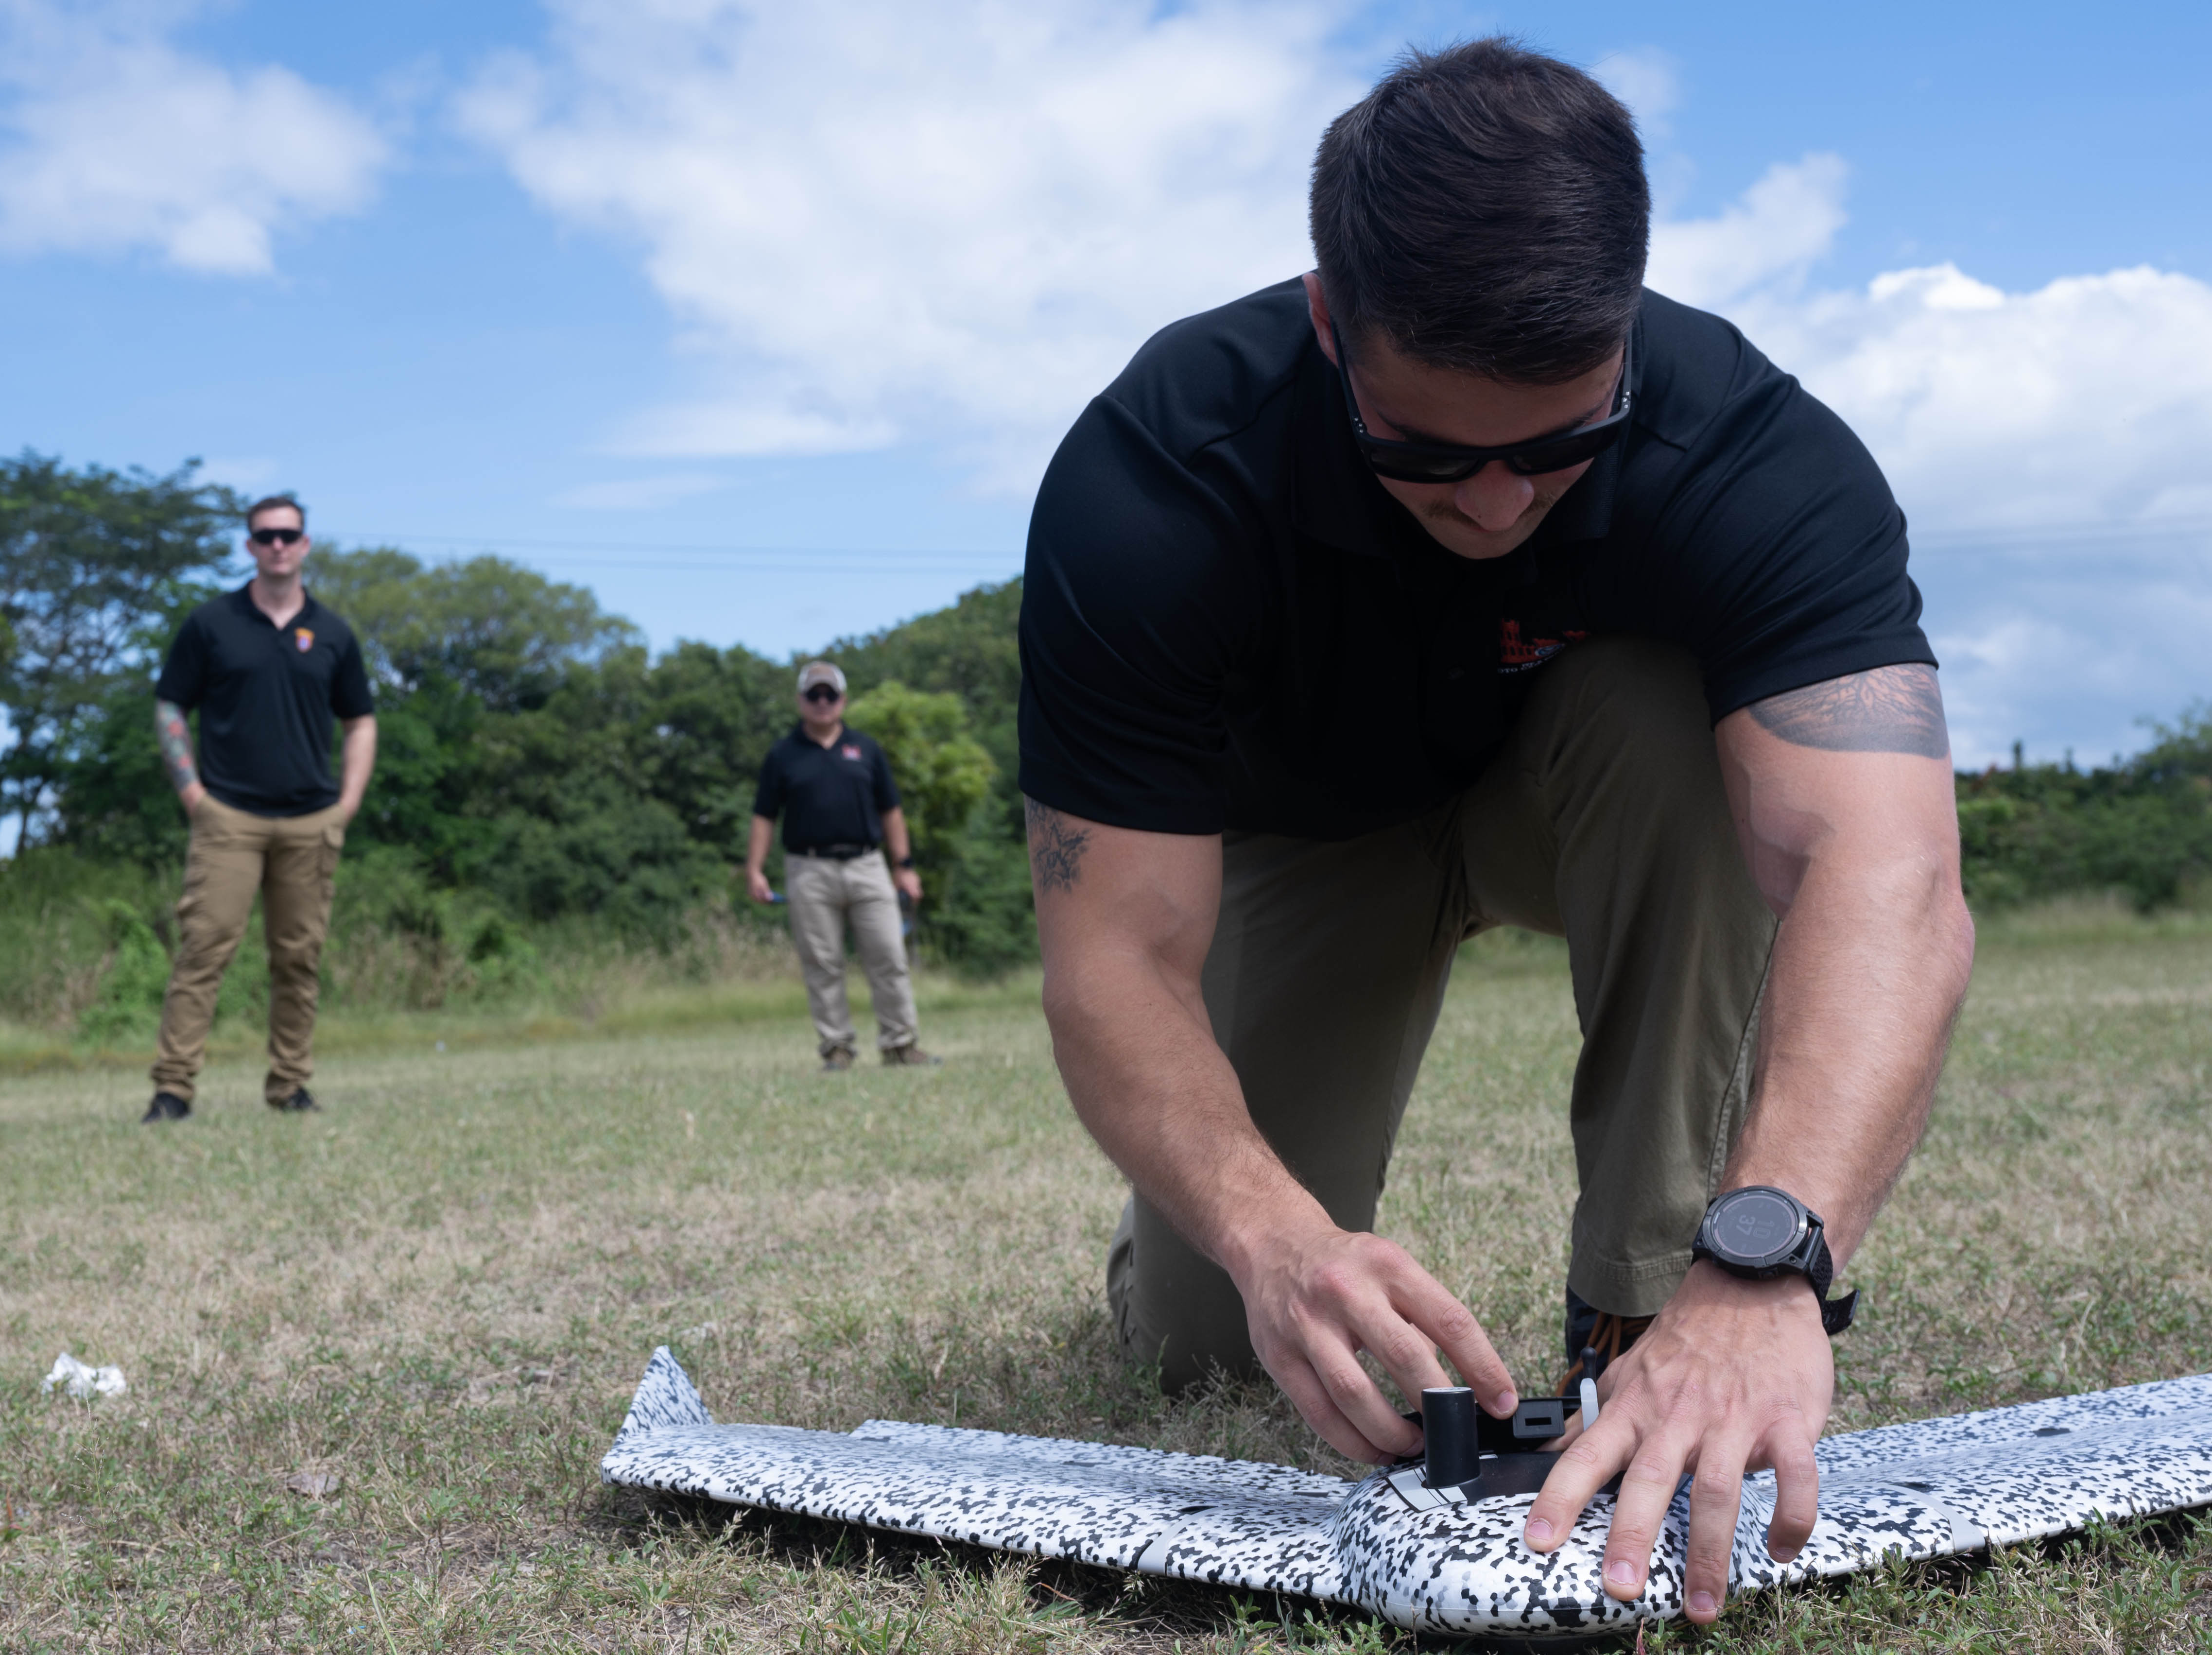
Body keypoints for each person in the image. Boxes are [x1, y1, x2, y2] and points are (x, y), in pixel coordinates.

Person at [1016, 38, 1973, 1625]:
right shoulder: (1155, 474)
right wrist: (1266, 1236)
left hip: (1584, 790)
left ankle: (1645, 1308)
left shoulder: (1749, 450)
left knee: (1677, 721)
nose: (1488, 505)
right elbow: (1109, 954)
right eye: (1422, 450)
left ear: (1621, 335)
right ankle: (1191, 1273)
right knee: (1211, 1342)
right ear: (1329, 324)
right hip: (1309, 835)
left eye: (1552, 446)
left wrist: (1767, 1260)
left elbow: (1885, 873)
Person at [141, 496, 377, 1122]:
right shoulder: (212, 623)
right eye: (266, 536)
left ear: (305, 544)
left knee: (299, 959)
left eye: (288, 535)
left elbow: (360, 719)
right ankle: (172, 1091)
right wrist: (193, 794)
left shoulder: (332, 633)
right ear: (249, 546)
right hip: (228, 817)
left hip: (311, 820)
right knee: (203, 951)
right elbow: (170, 705)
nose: (277, 546)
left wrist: (348, 802)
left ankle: (290, 1086)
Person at [746, 661, 940, 1071]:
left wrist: (904, 866)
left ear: (842, 700)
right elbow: (764, 816)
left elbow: (892, 811)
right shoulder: (782, 755)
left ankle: (900, 1045)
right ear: (800, 700)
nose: (822, 702)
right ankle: (836, 1048)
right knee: (822, 963)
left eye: (829, 694)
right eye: (814, 694)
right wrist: (755, 869)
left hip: (867, 865)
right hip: (808, 868)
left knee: (889, 955)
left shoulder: (866, 749)